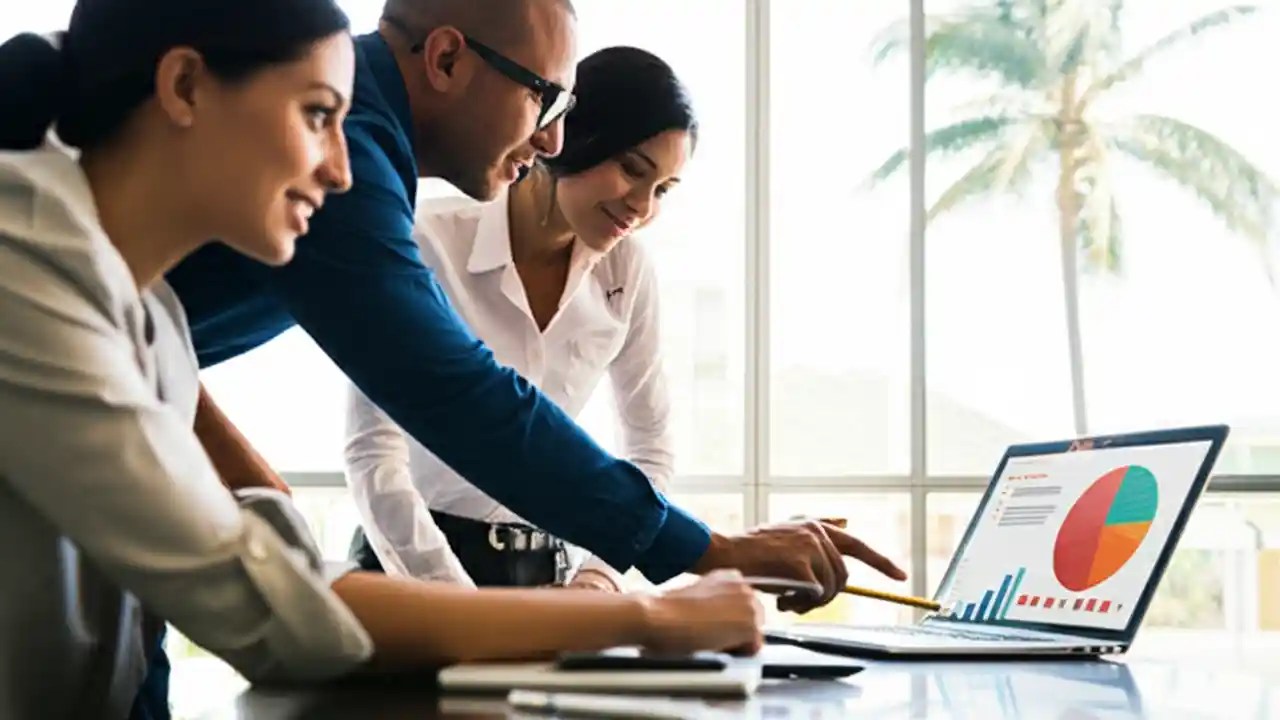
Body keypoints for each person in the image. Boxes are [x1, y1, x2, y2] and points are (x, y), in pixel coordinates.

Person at [0, 2, 766, 717]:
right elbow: (273, 606)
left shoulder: (152, 316)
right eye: (317, 116)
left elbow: (264, 582)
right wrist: (649, 613)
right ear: (187, 87)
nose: (342, 171)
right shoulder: (26, 273)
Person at [165, 0, 908, 606]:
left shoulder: (359, 142)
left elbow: (143, 325)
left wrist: (239, 469)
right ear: (446, 59)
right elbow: (459, 397)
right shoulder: (354, 150)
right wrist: (709, 550)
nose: (553, 140)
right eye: (542, 97)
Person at [344, 45, 696, 592]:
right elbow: (374, 451)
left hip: (548, 575)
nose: (643, 207)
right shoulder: (427, 240)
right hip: (409, 568)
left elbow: (650, 446)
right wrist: (457, 604)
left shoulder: (627, 272)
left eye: (663, 191)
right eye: (633, 170)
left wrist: (597, 580)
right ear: (573, 134)